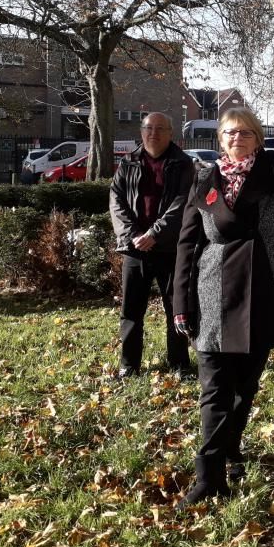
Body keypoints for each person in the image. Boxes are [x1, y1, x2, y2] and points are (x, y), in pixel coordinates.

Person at [172, 107, 274, 507]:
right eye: (229, 134)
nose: (236, 139)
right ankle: (209, 475)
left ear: (258, 137)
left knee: (246, 385)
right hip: (212, 292)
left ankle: (232, 448)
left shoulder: (273, 170)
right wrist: (180, 302)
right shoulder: (204, 177)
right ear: (219, 140)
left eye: (245, 133)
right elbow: (188, 243)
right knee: (214, 387)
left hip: (263, 291)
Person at [110, 112, 194, 379]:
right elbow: (116, 201)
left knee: (176, 310)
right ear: (141, 131)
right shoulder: (128, 163)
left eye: (160, 129)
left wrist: (155, 233)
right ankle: (129, 364)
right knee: (131, 311)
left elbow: (184, 203)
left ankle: (179, 363)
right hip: (136, 249)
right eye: (148, 128)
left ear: (171, 133)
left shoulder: (183, 164)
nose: (153, 133)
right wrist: (134, 235)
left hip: (170, 249)